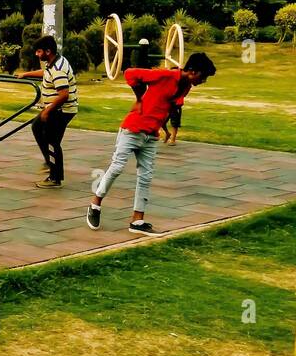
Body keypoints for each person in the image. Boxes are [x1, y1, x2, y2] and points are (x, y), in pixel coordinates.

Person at [87, 52, 217, 235]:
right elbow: (130, 73)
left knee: (145, 176)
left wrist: (163, 130)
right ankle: (95, 204)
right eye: (203, 77)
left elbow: (165, 106)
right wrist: (139, 98)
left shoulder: (186, 86)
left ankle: (137, 221)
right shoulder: (165, 75)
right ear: (193, 71)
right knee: (117, 168)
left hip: (151, 135)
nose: (203, 81)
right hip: (132, 129)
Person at [17, 35, 77, 188]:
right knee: (37, 127)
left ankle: (55, 178)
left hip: (62, 109)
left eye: (39, 51)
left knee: (52, 141)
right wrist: (26, 74)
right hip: (56, 108)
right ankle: (49, 161)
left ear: (48, 51)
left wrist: (47, 110)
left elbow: (64, 95)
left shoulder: (58, 69)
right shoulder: (54, 62)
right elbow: (45, 73)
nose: (37, 55)